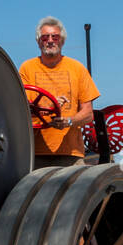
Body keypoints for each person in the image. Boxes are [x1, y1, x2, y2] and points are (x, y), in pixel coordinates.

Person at [19, 17, 99, 170]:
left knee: (77, 193)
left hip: (71, 154)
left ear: (62, 41)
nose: (50, 41)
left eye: (54, 37)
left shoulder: (77, 69)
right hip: (36, 154)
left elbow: (88, 114)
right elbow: (23, 109)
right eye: (45, 37)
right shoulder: (27, 68)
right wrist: (51, 104)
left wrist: (68, 121)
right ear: (38, 42)